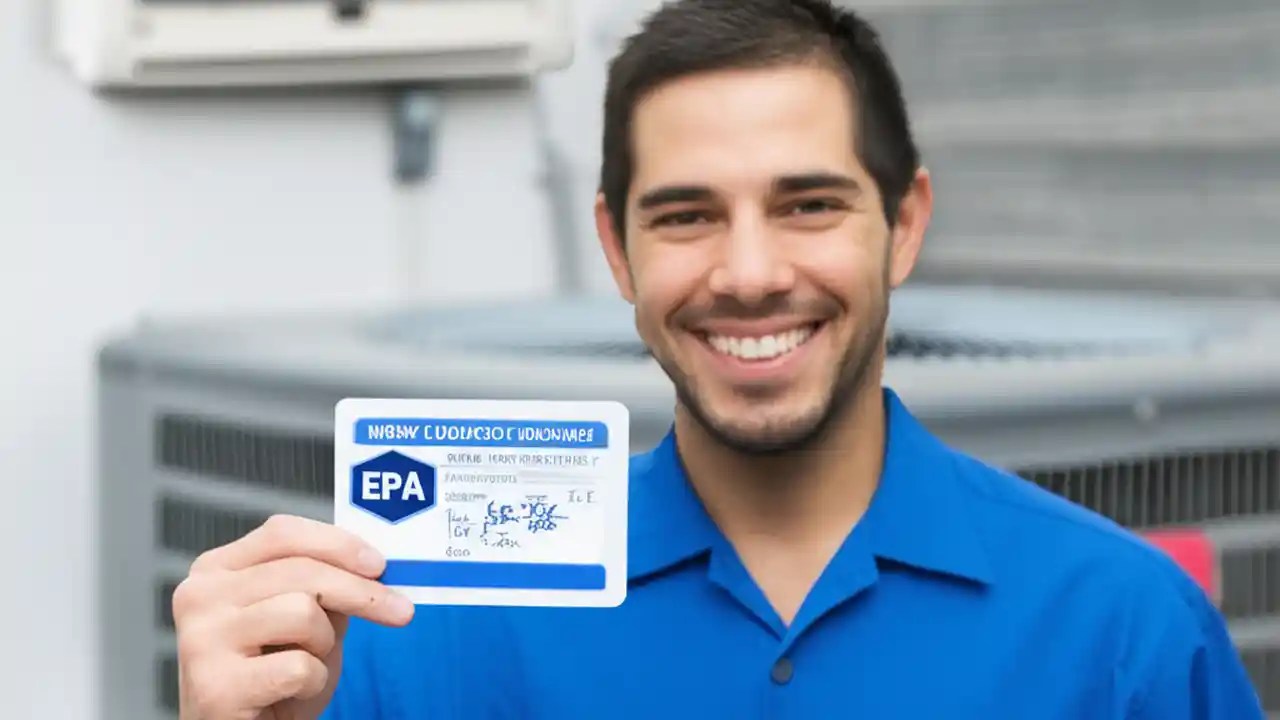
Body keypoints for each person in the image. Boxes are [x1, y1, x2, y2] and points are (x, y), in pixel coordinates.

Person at [171, 1, 1264, 718]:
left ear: (905, 222)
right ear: (615, 247)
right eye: (687, 215)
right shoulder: (412, 631)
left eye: (807, 204)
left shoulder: (1124, 632)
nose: (747, 273)